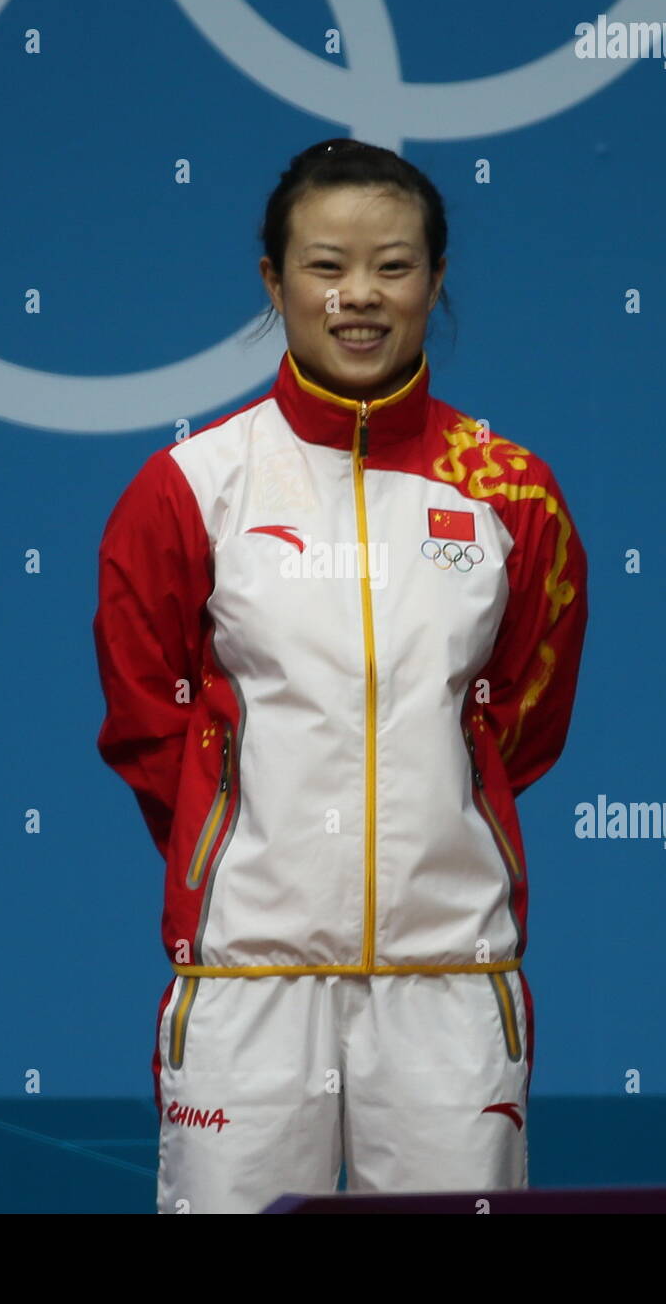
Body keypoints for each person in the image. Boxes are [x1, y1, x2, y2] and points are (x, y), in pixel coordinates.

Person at [92, 138, 589, 1214]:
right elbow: (148, 726)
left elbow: (520, 724)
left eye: (394, 265)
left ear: (436, 279)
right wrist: (242, 847)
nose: (358, 295)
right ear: (272, 281)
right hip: (248, 980)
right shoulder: (191, 488)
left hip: (451, 981)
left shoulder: (512, 492)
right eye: (325, 265)